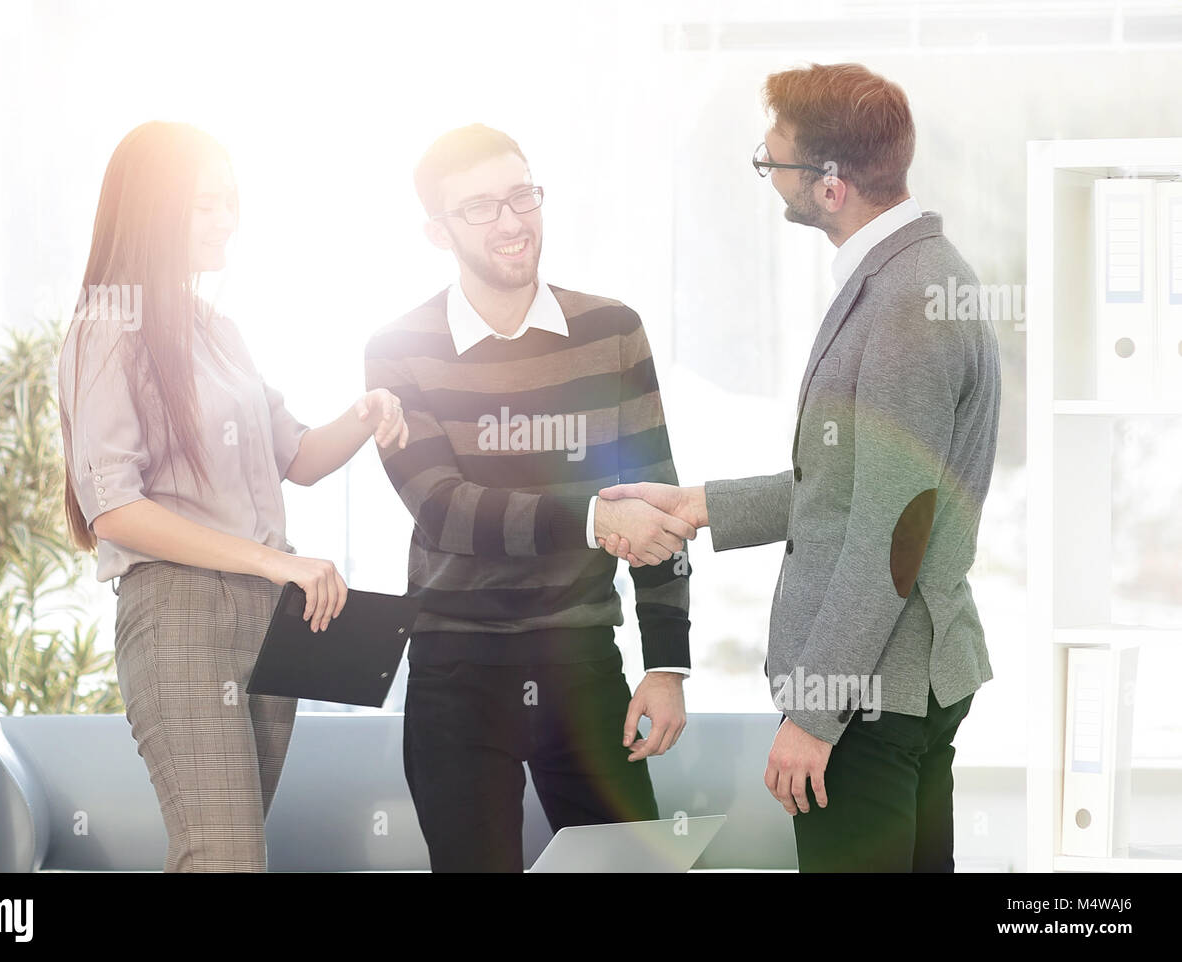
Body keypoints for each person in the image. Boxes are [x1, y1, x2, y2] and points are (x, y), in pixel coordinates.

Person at [602, 63, 1001, 872]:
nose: (767, 176)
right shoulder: (912, 276)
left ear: (828, 186)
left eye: (773, 161)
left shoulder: (904, 304)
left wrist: (816, 718)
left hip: (871, 699)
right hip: (898, 684)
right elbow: (860, 491)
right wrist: (700, 503)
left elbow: (892, 535)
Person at [57, 121, 407, 872]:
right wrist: (272, 562)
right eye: (204, 205)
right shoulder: (107, 328)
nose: (227, 221)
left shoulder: (221, 332)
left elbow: (300, 457)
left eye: (231, 202)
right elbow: (111, 508)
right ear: (154, 212)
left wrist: (367, 409)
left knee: (232, 857)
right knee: (225, 858)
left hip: (267, 619)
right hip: (181, 612)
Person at [364, 124, 695, 872]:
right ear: (436, 231)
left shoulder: (612, 332)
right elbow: (446, 509)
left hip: (582, 663)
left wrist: (667, 663)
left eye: (522, 196)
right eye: (480, 207)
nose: (511, 222)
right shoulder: (396, 349)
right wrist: (591, 518)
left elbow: (657, 501)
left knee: (628, 869)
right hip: (457, 671)